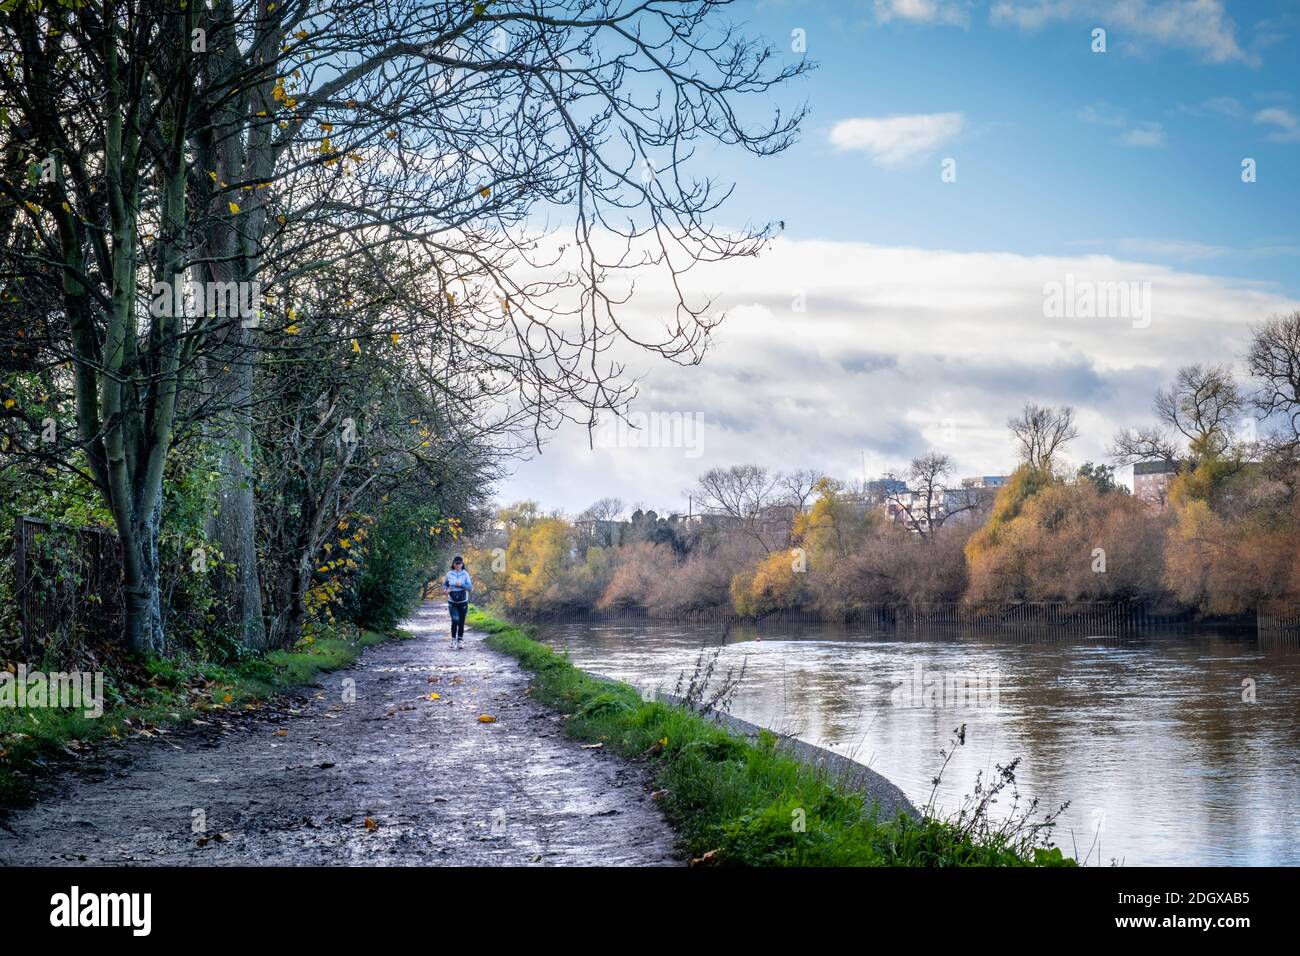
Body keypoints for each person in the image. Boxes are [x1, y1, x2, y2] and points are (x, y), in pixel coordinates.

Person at [441, 556, 473, 649]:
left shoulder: (465, 574)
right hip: (452, 600)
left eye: (460, 563)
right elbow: (444, 585)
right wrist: (446, 590)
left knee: (461, 621)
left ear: (462, 564)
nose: (458, 565)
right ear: (453, 564)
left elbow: (470, 588)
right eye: (456, 563)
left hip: (463, 601)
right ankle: (453, 640)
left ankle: (460, 640)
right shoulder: (449, 574)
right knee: (455, 620)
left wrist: (462, 584)